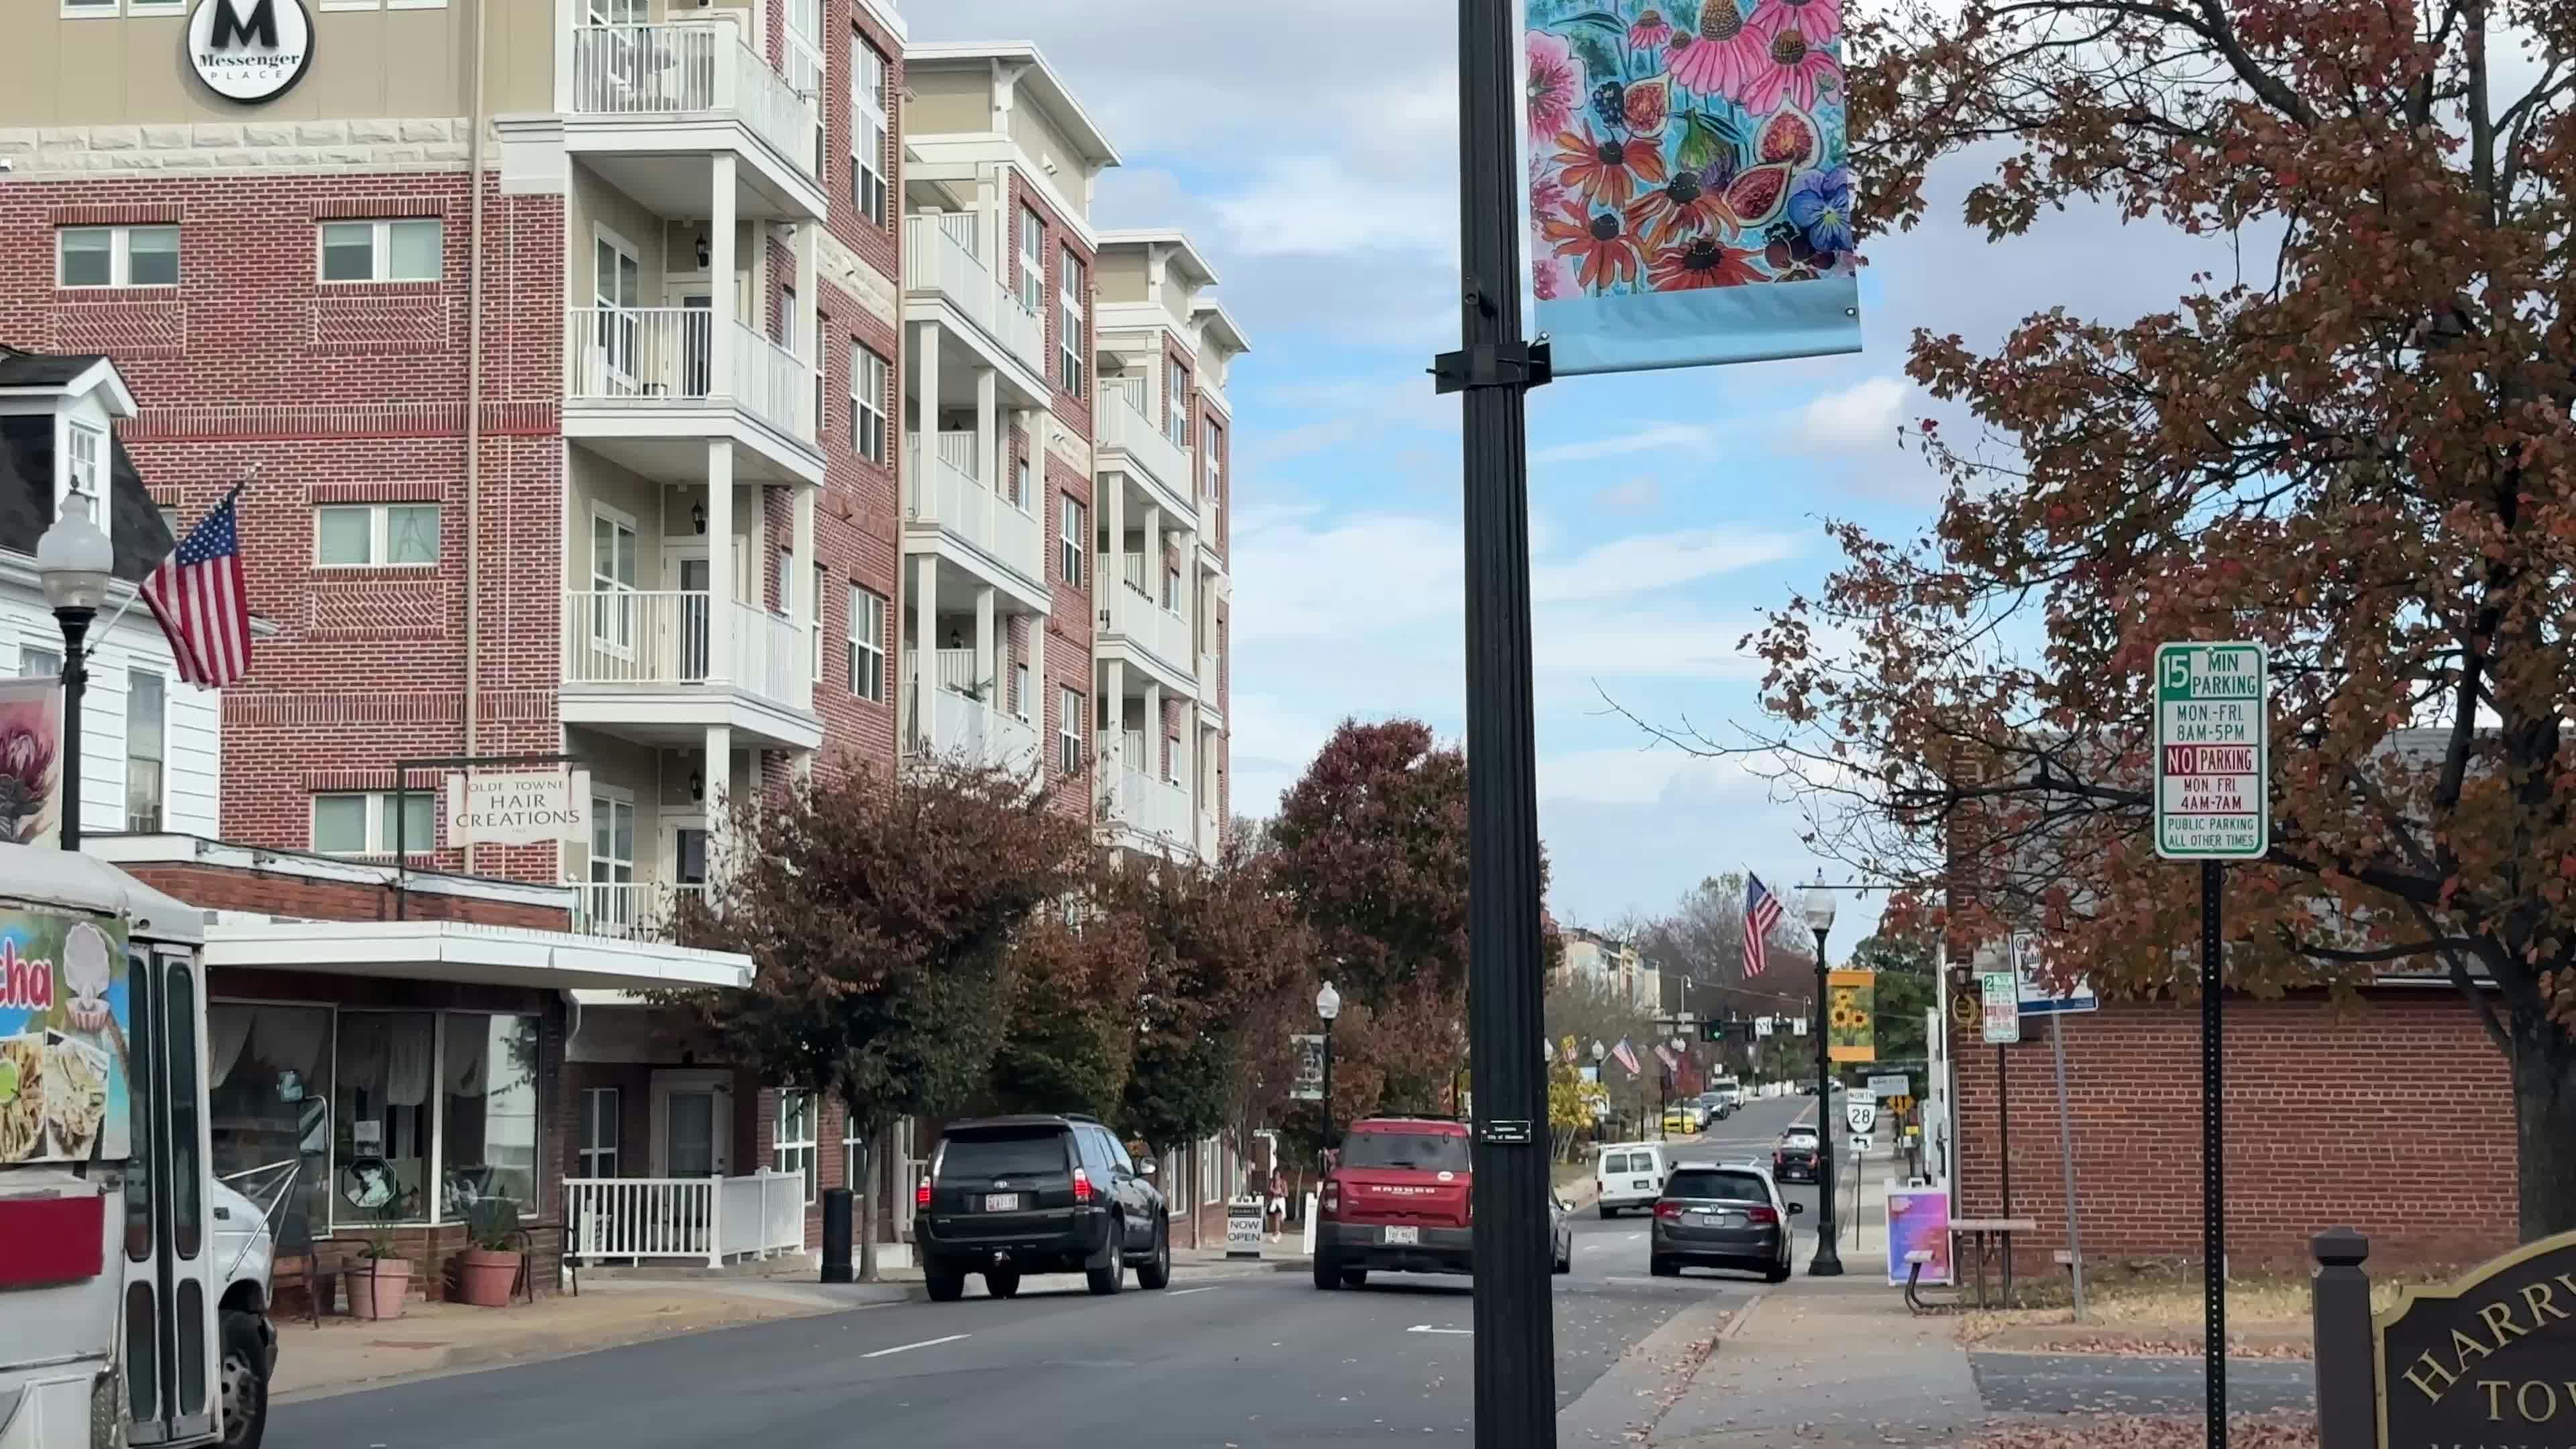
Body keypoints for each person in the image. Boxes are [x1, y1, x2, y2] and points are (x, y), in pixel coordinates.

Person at [1265, 1169, 1286, 1240]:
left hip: (1280, 1202)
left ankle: (1276, 1235)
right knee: (1273, 1218)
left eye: (1278, 1174)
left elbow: (1286, 1194)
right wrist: (1271, 1193)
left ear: (1280, 1175)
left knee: (1277, 1218)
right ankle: (1276, 1233)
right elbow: (1270, 1192)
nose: (1276, 1176)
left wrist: (1280, 1193)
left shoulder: (1283, 1183)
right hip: (1274, 1202)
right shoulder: (1273, 1182)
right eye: (1275, 1174)